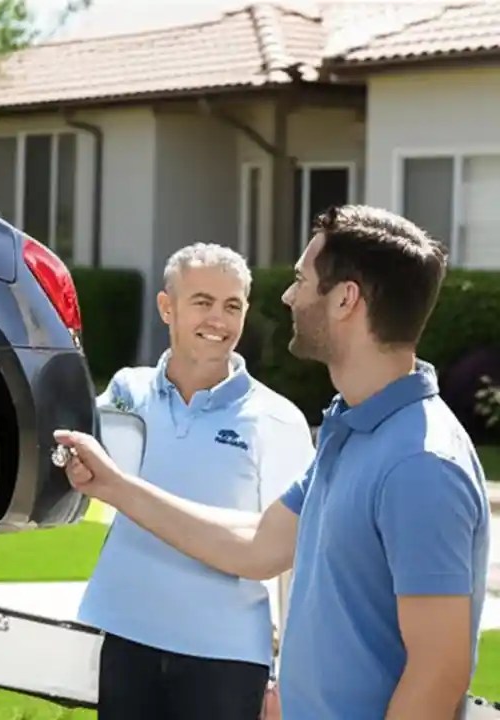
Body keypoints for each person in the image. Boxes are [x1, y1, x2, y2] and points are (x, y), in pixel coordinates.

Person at [57, 205, 490, 719]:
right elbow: (258, 546)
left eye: (302, 280)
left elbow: (439, 673)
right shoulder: (349, 433)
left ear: (346, 299)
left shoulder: (420, 464)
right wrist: (114, 486)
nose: (287, 295)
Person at [82, 243, 315, 719]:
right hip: (125, 636)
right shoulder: (127, 391)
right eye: (202, 302)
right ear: (167, 307)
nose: (219, 320)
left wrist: (289, 676)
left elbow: (298, 561)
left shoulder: (278, 419)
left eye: (233, 306)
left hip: (226, 658)